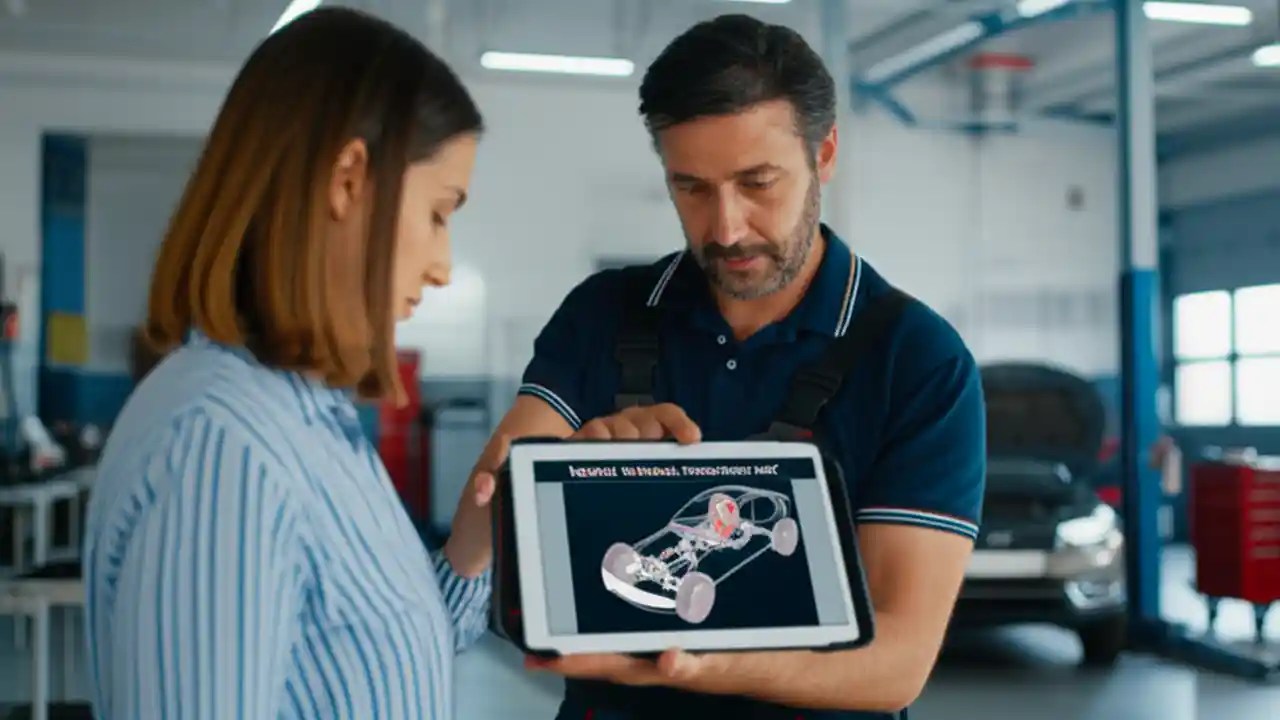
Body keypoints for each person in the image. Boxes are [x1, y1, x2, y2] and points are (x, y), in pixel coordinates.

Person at [447, 13, 986, 720]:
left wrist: (695, 664)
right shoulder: (605, 314)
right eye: (692, 188)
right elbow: (477, 542)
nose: (726, 228)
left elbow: (898, 663)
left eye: (758, 183)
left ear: (824, 154)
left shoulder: (918, 361)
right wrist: (554, 477)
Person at [81, 8, 499, 719]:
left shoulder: (308, 422)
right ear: (348, 179)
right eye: (437, 213)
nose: (441, 264)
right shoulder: (225, 448)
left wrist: (471, 545)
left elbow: (376, 659)